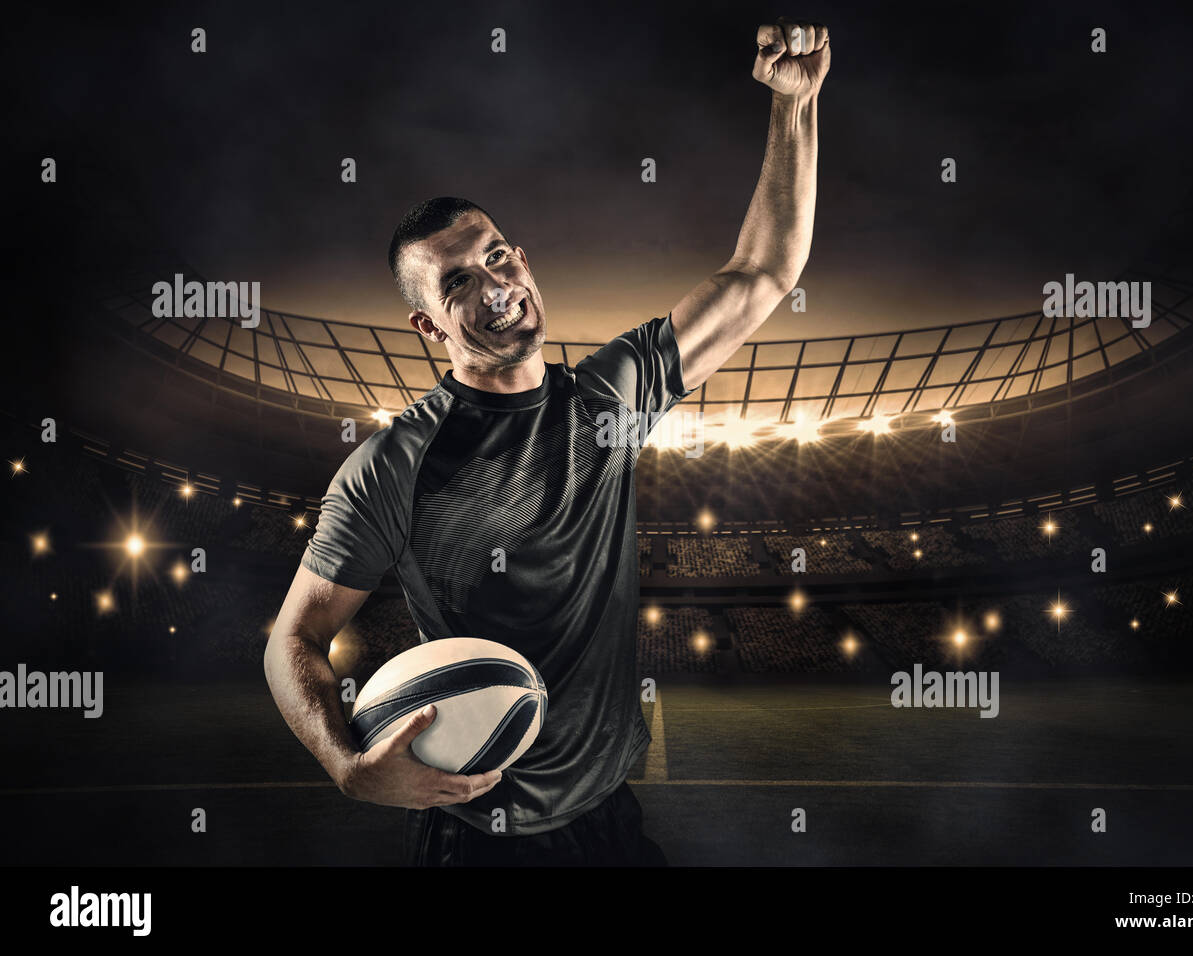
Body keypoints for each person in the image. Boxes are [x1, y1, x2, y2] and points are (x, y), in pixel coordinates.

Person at [263, 16, 828, 866]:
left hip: (610, 819)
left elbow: (763, 275)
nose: (493, 287)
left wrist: (796, 108)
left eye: (496, 258)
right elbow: (291, 641)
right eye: (458, 282)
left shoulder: (611, 395)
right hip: (475, 836)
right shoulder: (392, 466)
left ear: (522, 259)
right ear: (427, 324)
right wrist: (347, 767)